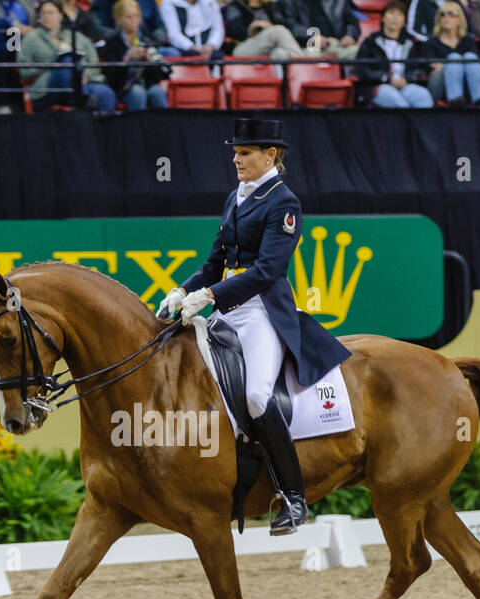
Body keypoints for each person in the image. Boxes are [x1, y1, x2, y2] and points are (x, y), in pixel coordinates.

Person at [157, 118, 352, 536]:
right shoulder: (235, 198)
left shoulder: (284, 203)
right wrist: (182, 289)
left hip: (262, 310)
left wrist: (209, 297)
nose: (236, 159)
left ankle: (294, 498)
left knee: (257, 397)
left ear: (271, 156)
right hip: (227, 308)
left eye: (245, 153)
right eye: (235, 152)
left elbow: (267, 270)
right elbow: (214, 264)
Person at [19, 0, 116, 111]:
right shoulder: (31, 38)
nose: (47, 17)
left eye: (51, 13)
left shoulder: (75, 35)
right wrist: (51, 66)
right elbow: (24, 70)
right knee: (66, 62)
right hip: (48, 87)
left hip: (82, 81)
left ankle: (100, 125)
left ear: (60, 15)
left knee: (105, 93)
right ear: (39, 17)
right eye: (43, 13)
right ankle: (83, 100)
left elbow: (93, 62)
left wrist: (86, 75)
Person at [352, 0, 432, 107]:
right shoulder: (371, 41)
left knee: (423, 96)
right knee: (398, 102)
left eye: (399, 14)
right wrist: (386, 78)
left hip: (406, 85)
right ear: (383, 18)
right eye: (391, 13)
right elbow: (360, 70)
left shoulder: (412, 43)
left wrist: (406, 79)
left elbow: (420, 69)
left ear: (404, 21)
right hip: (380, 85)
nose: (395, 18)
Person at [100, 0, 168, 109]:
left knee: (158, 91)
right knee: (138, 92)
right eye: (129, 17)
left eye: (136, 16)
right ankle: (136, 125)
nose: (134, 21)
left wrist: (151, 61)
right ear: (119, 19)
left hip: (146, 84)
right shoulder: (112, 41)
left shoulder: (147, 38)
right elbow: (111, 78)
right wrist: (126, 58)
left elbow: (160, 76)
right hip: (124, 88)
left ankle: (163, 125)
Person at [421, 0, 480, 105]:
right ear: (439, 19)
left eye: (452, 14)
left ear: (459, 19)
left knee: (470, 57)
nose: (446, 18)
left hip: (468, 84)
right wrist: (453, 64)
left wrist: (445, 65)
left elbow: (474, 68)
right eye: (443, 14)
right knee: (454, 58)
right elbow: (431, 70)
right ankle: (455, 100)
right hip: (440, 87)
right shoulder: (431, 43)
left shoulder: (468, 40)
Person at [222, 0, 306, 59]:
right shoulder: (235, 6)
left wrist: (268, 26)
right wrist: (253, 28)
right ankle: (305, 67)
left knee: (280, 54)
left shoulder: (270, 6)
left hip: (270, 47)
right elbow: (237, 32)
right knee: (278, 30)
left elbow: (286, 29)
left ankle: (286, 83)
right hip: (243, 47)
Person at [286, 0, 361, 57]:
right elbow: (289, 25)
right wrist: (311, 37)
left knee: (355, 51)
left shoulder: (341, 1)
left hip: (336, 43)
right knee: (312, 55)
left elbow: (352, 22)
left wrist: (350, 35)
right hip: (307, 46)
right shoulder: (290, 1)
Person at [159, 0, 223, 61]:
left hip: (208, 48)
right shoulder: (169, 3)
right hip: (183, 48)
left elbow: (217, 29)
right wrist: (194, 48)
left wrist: (210, 46)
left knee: (218, 56)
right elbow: (174, 34)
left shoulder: (210, 3)